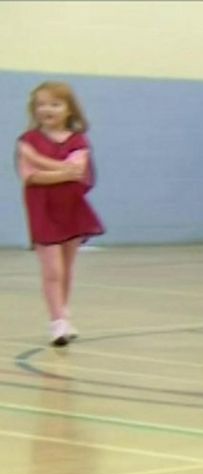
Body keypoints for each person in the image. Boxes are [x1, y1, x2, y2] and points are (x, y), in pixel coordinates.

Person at [16, 81, 104, 346]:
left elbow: (77, 171)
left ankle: (63, 314)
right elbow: (30, 177)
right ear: (34, 109)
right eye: (41, 104)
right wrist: (61, 171)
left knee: (66, 268)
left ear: (68, 109)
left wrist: (44, 164)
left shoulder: (78, 140)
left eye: (55, 104)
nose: (47, 109)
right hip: (43, 210)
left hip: (72, 209)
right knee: (52, 269)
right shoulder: (27, 141)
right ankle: (56, 322)